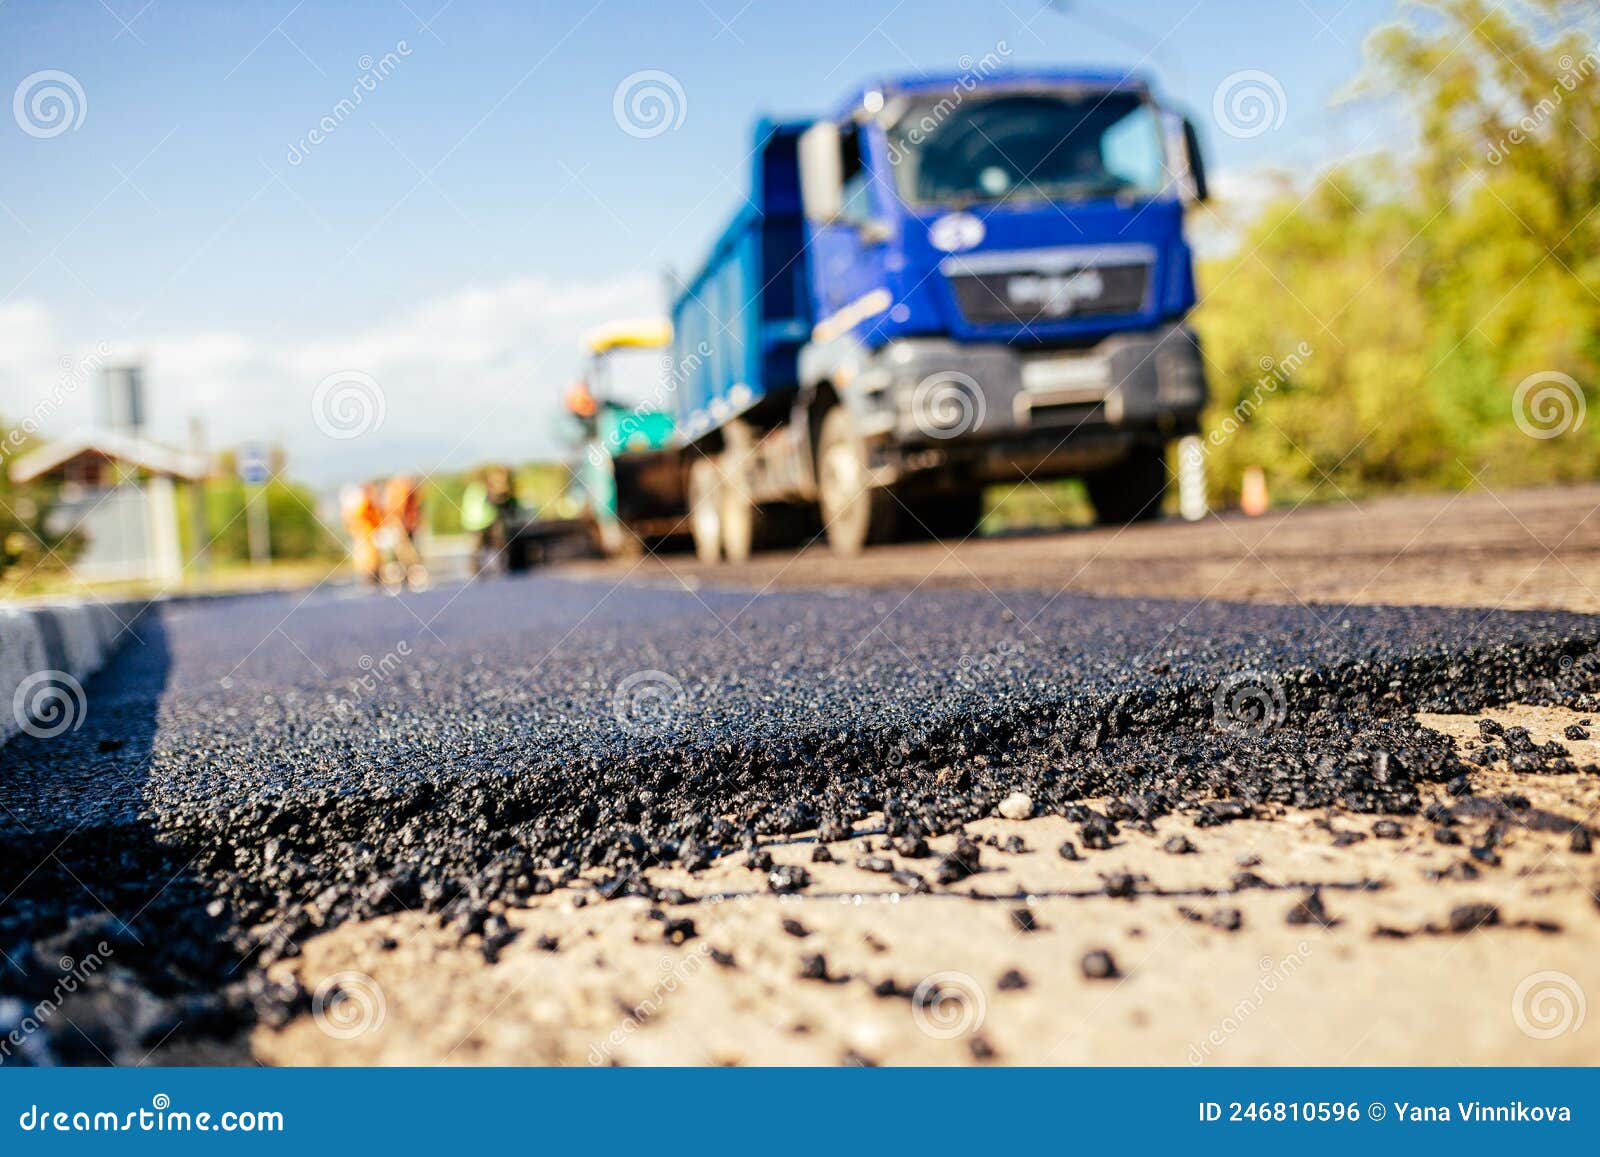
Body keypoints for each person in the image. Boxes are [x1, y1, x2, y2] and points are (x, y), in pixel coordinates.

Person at [461, 465, 519, 576]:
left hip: (470, 524)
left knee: (477, 550)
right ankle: (499, 568)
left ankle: (477, 571)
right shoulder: (485, 488)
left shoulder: (473, 487)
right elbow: (496, 503)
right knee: (496, 543)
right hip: (483, 523)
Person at [382, 474, 428, 590]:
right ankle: (400, 577)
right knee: (401, 553)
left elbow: (413, 510)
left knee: (406, 553)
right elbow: (397, 511)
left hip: (406, 527)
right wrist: (399, 526)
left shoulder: (404, 492)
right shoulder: (401, 492)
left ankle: (408, 577)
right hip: (400, 527)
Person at [340, 482, 385, 586]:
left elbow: (376, 518)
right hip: (364, 534)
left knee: (371, 554)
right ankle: (368, 576)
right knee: (366, 555)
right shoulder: (362, 505)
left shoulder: (367, 504)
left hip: (369, 534)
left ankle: (372, 575)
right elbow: (352, 518)